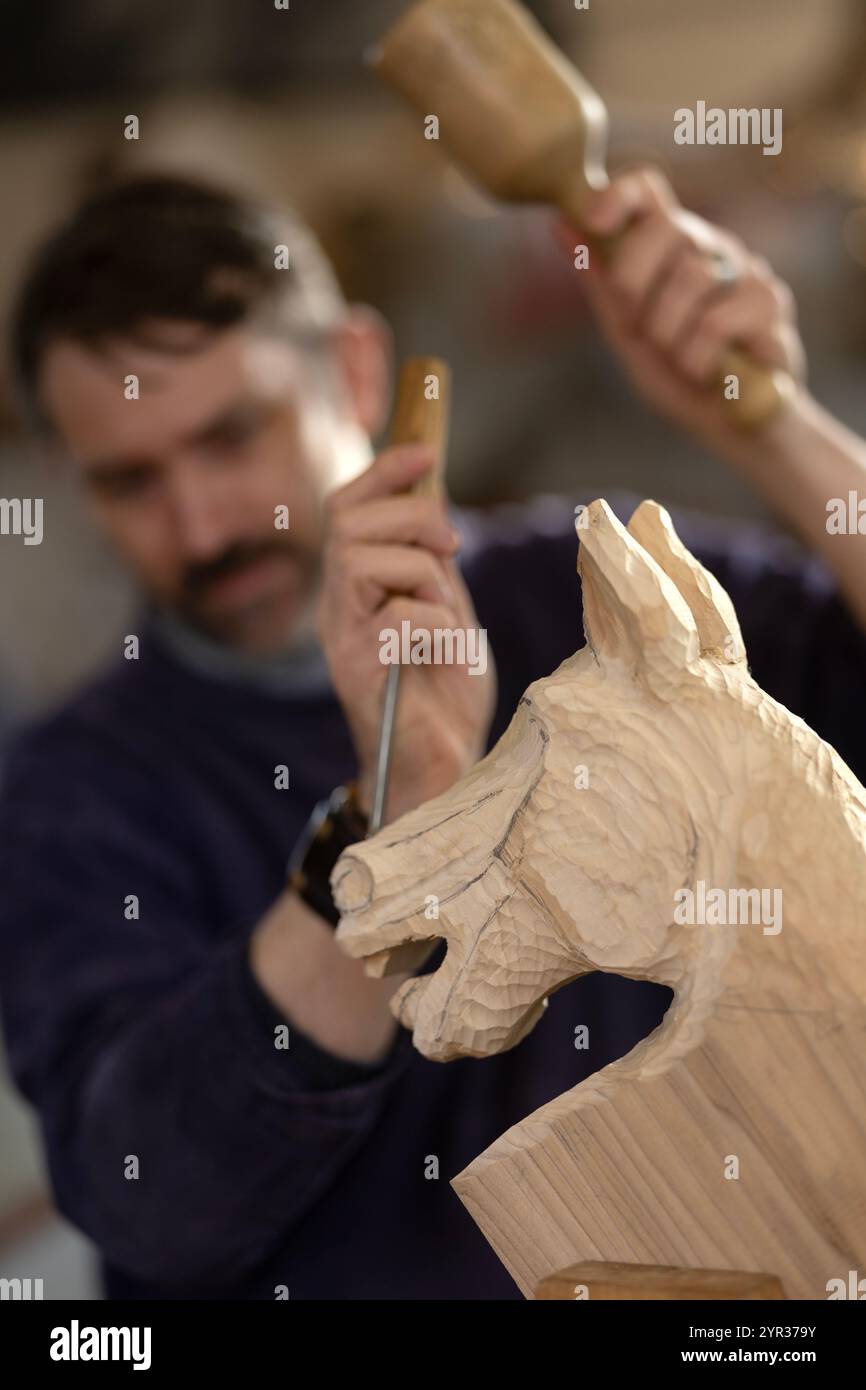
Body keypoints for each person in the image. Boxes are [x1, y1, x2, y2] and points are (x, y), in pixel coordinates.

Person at [0, 171, 864, 1300]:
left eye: (232, 435)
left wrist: (770, 424)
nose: (203, 524)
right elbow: (152, 1198)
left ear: (356, 369)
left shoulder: (590, 594)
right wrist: (406, 801)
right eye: (131, 480)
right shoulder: (77, 790)